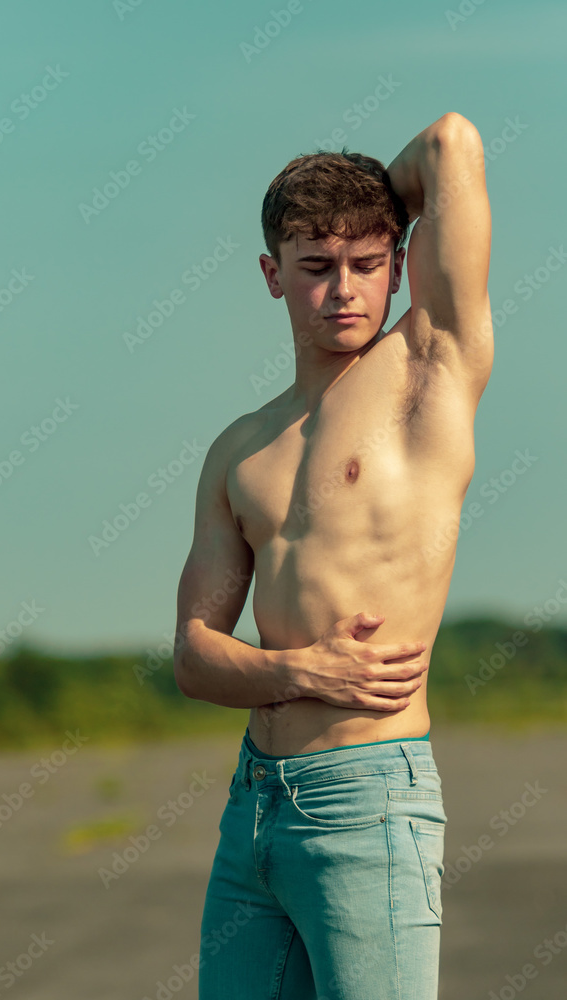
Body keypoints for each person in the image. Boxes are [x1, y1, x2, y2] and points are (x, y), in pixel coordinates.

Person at [173, 111, 492, 999]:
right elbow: (195, 654)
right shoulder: (240, 448)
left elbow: (451, 143)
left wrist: (359, 204)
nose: (344, 290)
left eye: (366, 263)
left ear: (397, 262)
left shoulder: (428, 371)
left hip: (366, 798)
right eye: (315, 267)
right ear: (273, 277)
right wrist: (302, 670)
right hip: (254, 810)